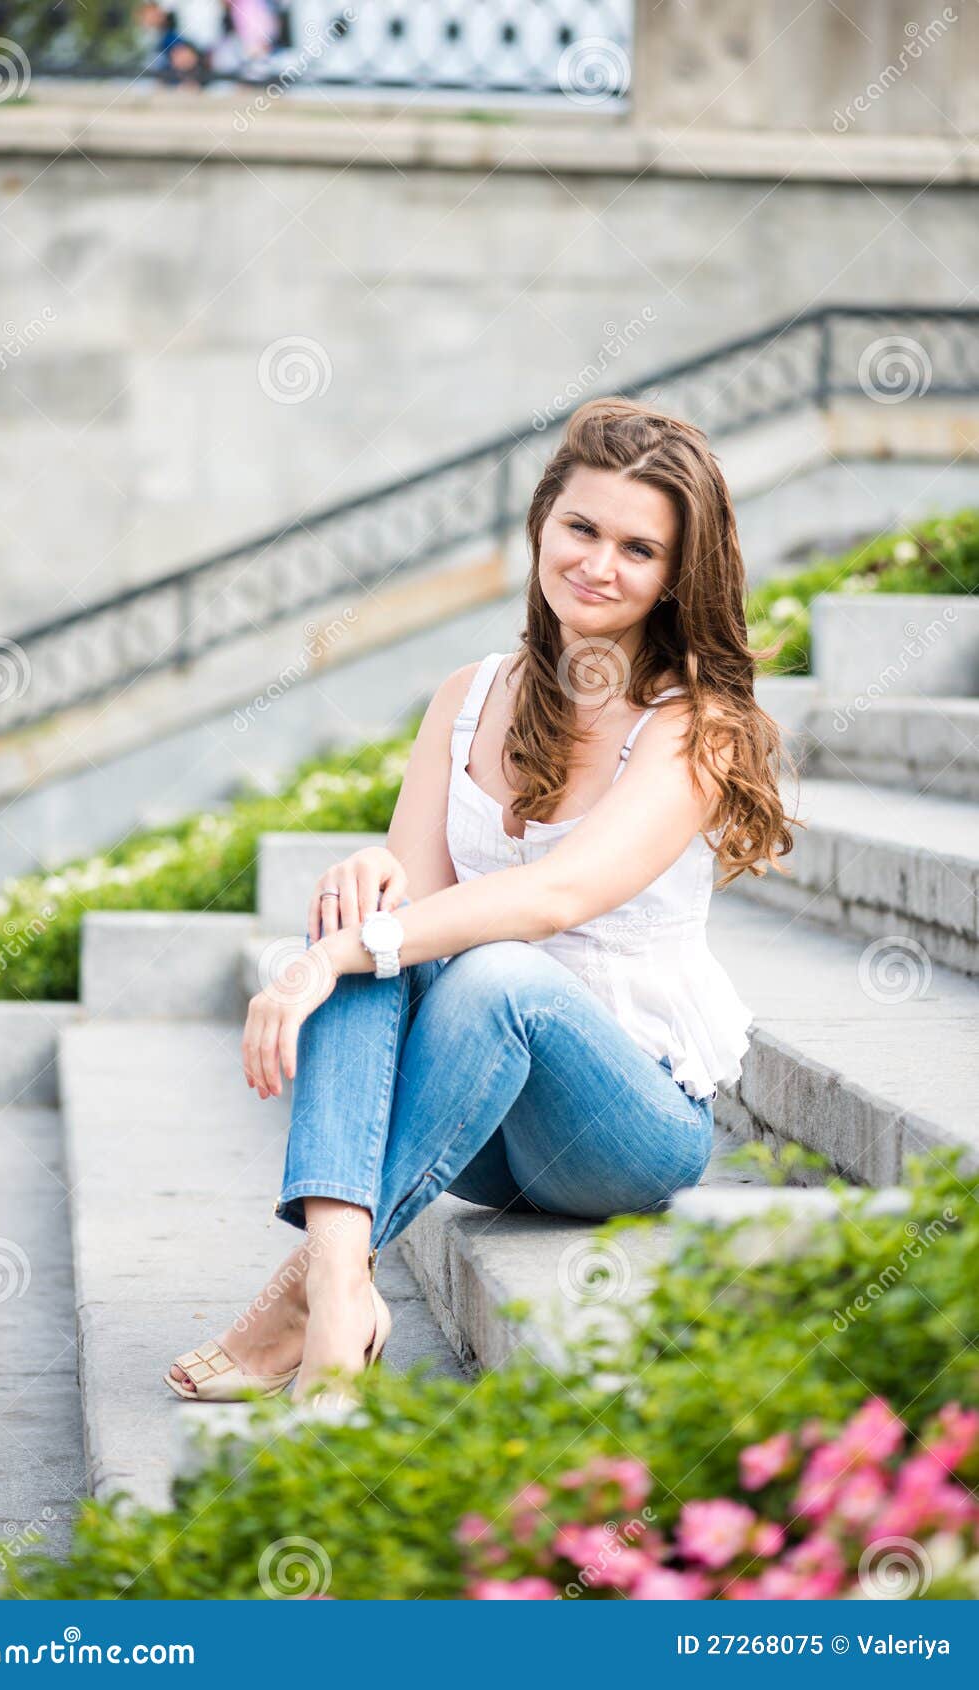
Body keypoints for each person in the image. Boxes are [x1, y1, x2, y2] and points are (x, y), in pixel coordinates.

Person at [166, 396, 795, 1406]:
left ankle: (308, 1296)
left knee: (484, 967)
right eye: (581, 528)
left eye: (639, 548)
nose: (598, 563)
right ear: (543, 520)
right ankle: (338, 1284)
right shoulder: (469, 695)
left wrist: (340, 952)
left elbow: (553, 896)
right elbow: (416, 903)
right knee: (363, 936)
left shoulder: (696, 727)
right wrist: (374, 882)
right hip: (486, 1131)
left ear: (678, 576)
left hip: (626, 1128)